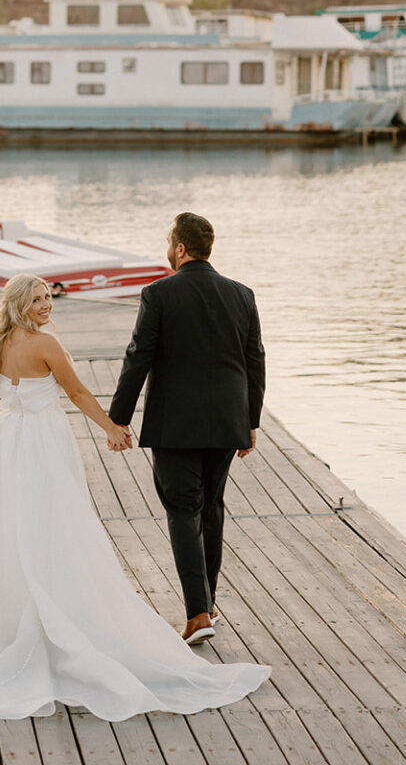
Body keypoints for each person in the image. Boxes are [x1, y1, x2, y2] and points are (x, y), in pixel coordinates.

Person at [0, 272, 269, 720]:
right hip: (43, 442)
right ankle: (52, 613)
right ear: (19, 305)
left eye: (48, 297)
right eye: (36, 300)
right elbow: (77, 392)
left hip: (6, 440)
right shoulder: (45, 343)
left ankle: (22, 613)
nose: (46, 305)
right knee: (54, 525)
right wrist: (111, 428)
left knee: (15, 526)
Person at [109, 212, 266, 644]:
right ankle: (207, 605)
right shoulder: (242, 294)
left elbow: (139, 355)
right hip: (227, 420)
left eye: (168, 242)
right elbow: (255, 360)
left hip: (176, 423)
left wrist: (118, 417)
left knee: (183, 509)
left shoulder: (158, 293)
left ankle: (198, 615)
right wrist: (250, 420)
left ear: (179, 249)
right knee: (210, 507)